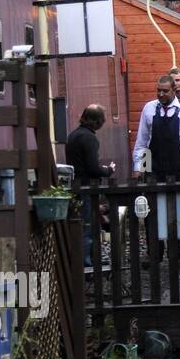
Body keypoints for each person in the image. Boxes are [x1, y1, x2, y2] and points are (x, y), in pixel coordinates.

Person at [132, 75, 180, 260]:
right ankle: (154, 252)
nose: (161, 94)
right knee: (152, 210)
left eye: (165, 91)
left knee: (179, 209)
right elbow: (143, 141)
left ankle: (178, 252)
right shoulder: (149, 109)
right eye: (158, 90)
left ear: (174, 90)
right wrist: (139, 167)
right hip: (155, 165)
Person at [67, 104, 115, 267]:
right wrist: (108, 170)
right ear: (98, 121)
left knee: (81, 225)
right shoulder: (89, 138)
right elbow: (93, 168)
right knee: (88, 226)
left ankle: (87, 260)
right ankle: (87, 264)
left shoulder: (73, 135)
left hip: (76, 186)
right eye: (103, 120)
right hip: (86, 187)